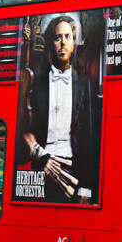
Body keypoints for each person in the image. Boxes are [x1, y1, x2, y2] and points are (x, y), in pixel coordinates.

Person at [21, 15, 98, 202]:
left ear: (73, 44)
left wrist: (86, 188)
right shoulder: (35, 81)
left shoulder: (83, 84)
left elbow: (88, 136)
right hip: (39, 169)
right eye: (57, 37)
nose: (62, 43)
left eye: (67, 37)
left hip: (71, 170)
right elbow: (22, 127)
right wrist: (40, 154)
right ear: (51, 43)